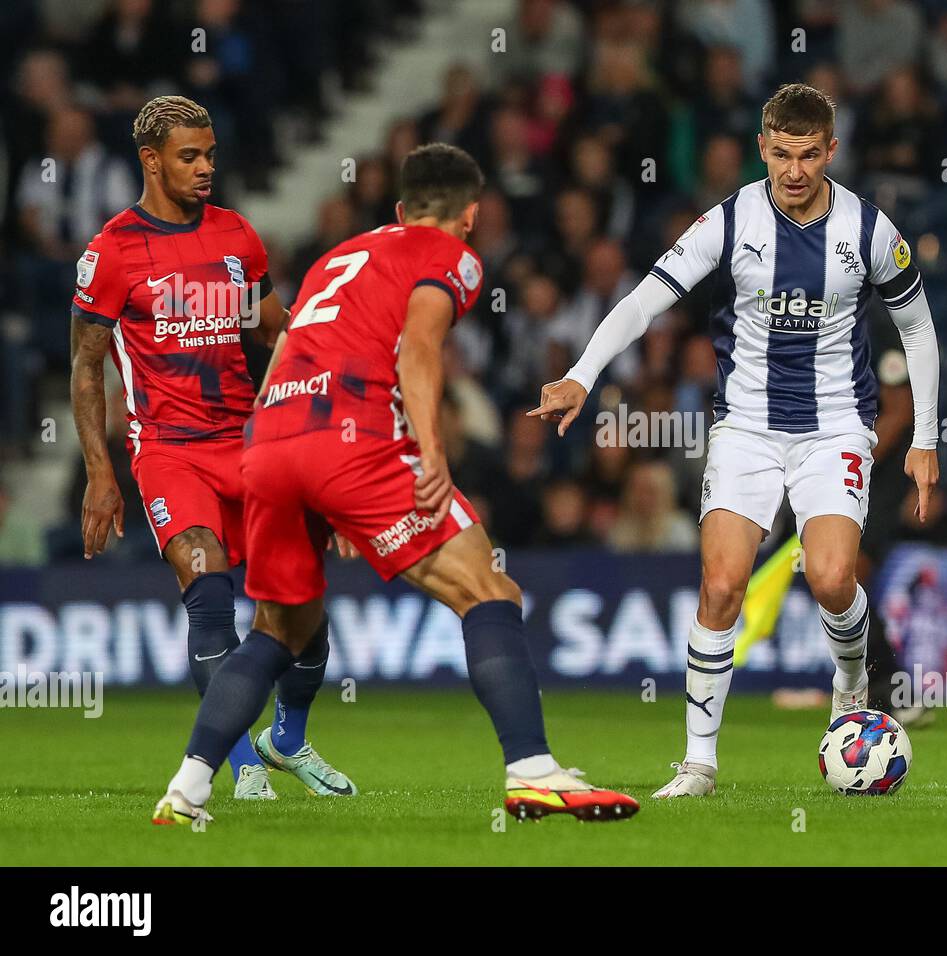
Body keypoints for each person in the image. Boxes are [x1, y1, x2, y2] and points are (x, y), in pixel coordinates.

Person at [152, 143, 638, 827]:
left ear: (400, 208)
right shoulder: (450, 255)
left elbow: (286, 346)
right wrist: (430, 453)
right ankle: (532, 772)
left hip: (269, 442)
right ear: (470, 215)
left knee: (277, 631)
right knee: (490, 591)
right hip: (354, 438)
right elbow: (418, 346)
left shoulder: (333, 260)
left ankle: (186, 790)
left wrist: (307, 483)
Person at [530, 84, 940, 798]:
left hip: (834, 425)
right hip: (746, 426)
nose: (794, 171)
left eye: (808, 155)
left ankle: (851, 684)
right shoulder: (728, 221)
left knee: (832, 578)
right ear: (762, 148)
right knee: (721, 584)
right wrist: (581, 374)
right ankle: (698, 765)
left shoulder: (869, 230)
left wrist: (925, 436)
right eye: (781, 154)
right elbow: (644, 299)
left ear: (831, 152)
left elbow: (919, 329)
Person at [70, 96, 351, 801]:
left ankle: (285, 739)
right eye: (190, 157)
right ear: (151, 160)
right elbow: (85, 366)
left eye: (211, 155)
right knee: (209, 598)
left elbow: (270, 328)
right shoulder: (110, 253)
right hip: (169, 452)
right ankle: (237, 765)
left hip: (248, 446)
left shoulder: (237, 237)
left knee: (302, 609)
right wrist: (100, 474)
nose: (205, 169)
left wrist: (321, 361)